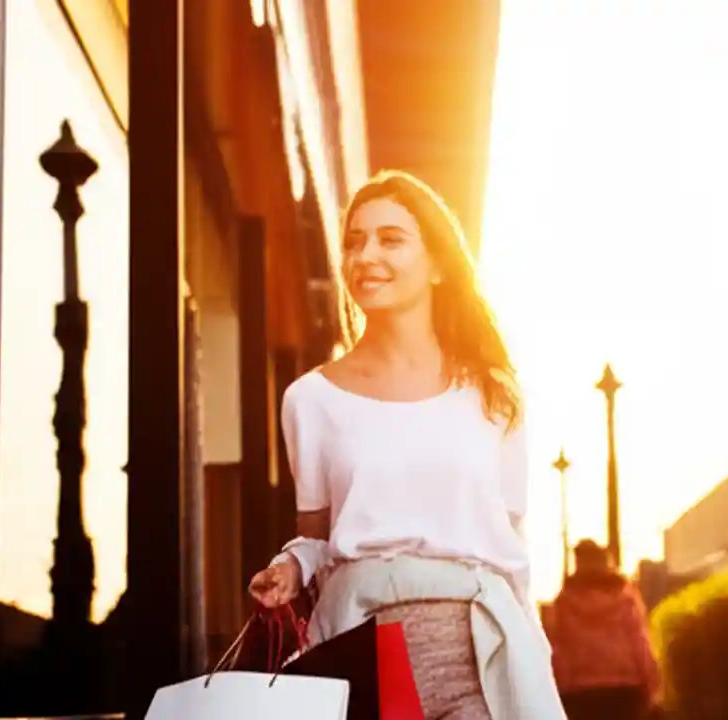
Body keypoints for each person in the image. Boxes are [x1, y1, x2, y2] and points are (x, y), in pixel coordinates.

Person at [247, 170, 565, 719]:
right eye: (354, 241)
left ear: (438, 264)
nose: (366, 254)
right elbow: (320, 541)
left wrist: (537, 670)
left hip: (482, 654)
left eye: (391, 239)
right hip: (358, 653)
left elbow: (512, 550)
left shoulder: (494, 394)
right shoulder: (311, 399)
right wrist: (291, 566)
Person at [546, 539, 660, 719]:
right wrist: (651, 682)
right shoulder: (625, 599)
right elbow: (639, 643)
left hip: (580, 695)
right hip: (625, 692)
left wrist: (558, 688)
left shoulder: (564, 603)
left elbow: (559, 651)